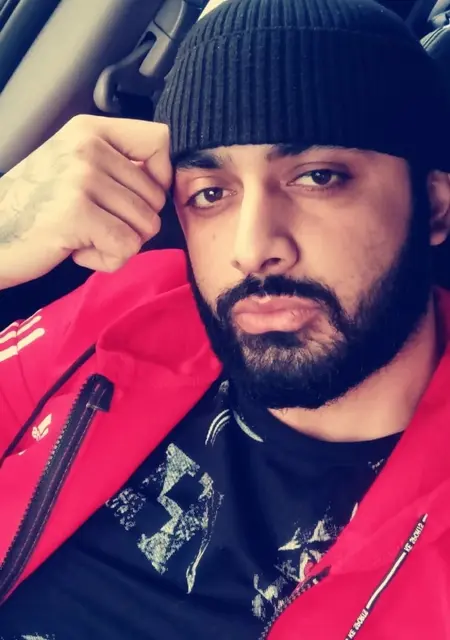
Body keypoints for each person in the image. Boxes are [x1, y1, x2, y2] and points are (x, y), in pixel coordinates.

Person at [1, 0, 450, 637]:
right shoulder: (133, 304)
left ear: (433, 208)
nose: (252, 248)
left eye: (318, 177)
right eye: (211, 193)